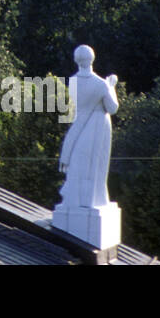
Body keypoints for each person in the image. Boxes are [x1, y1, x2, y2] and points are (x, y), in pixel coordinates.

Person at [56, 44, 119, 210]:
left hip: (80, 126)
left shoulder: (73, 81)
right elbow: (112, 108)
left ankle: (78, 200)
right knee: (95, 166)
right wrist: (111, 87)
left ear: (76, 60)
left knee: (80, 162)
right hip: (98, 125)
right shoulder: (101, 84)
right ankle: (93, 199)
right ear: (92, 59)